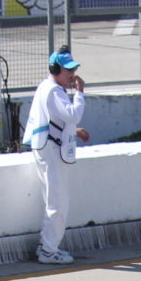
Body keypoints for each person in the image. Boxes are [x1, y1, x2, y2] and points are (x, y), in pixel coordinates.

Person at [23, 47, 90, 265]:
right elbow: (73, 114)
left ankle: (49, 247)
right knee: (58, 204)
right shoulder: (54, 91)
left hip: (48, 149)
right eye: (67, 70)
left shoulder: (47, 87)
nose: (72, 74)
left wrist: (75, 131)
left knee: (55, 201)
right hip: (51, 152)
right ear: (55, 69)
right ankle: (48, 251)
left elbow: (54, 118)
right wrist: (80, 93)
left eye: (73, 69)